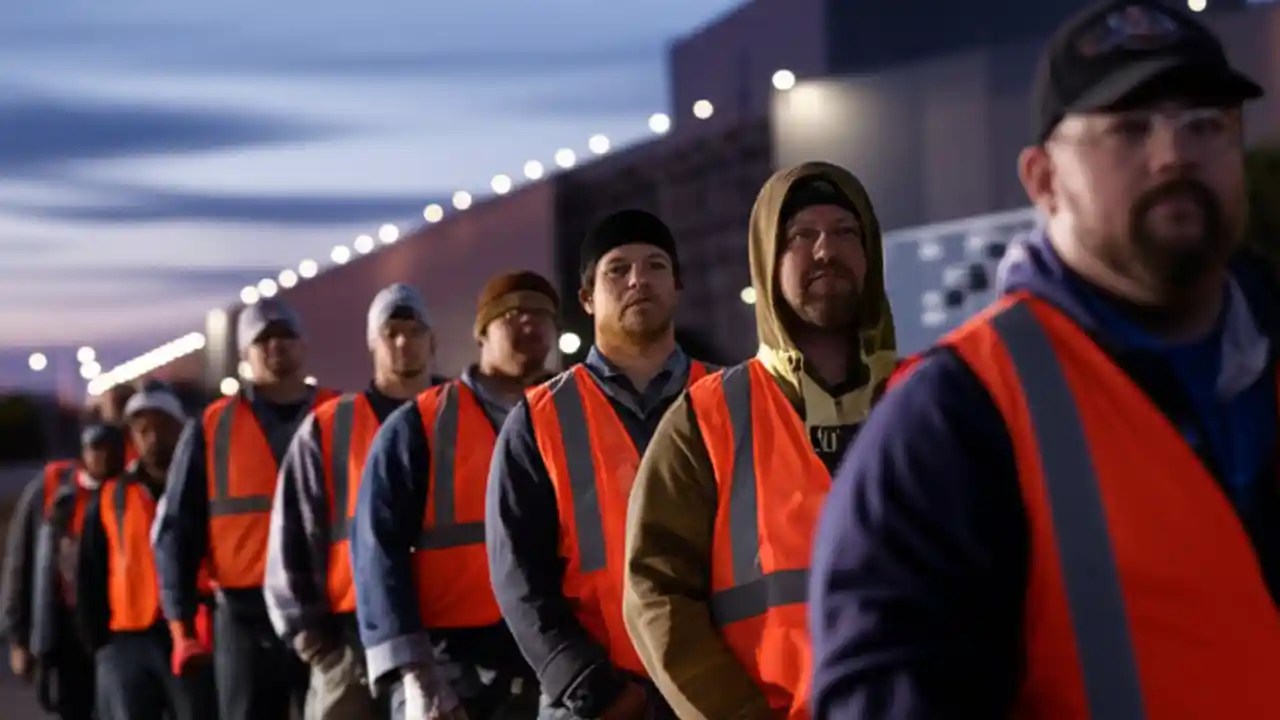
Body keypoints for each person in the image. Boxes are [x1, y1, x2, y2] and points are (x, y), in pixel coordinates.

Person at [809, 2, 1279, 717]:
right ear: (1043, 180)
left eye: (1205, 124)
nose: (1175, 154)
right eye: (1129, 129)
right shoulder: (956, 418)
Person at [621, 163, 897, 720]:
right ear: (767, 262)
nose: (826, 250)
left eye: (845, 231)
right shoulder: (705, 420)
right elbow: (656, 594)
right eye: (801, 236)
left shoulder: (926, 400)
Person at [486, 211, 710, 719]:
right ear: (587, 298)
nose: (638, 279)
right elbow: (518, 575)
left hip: (716, 690)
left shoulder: (729, 400)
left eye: (655, 265)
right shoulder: (538, 419)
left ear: (677, 287)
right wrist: (588, 684)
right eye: (617, 269)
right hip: (597, 700)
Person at [353, 271, 560, 719]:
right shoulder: (419, 425)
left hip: (558, 655)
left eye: (541, 314)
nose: (530, 323)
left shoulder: (573, 414)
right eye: (514, 314)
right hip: (451, 667)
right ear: (481, 332)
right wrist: (417, 677)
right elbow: (378, 551)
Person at [155, 298, 339, 720]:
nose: (276, 346)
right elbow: (178, 528)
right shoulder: (211, 427)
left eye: (286, 335)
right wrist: (181, 624)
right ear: (244, 354)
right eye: (263, 339)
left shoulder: (340, 415)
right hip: (244, 615)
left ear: (304, 345)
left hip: (328, 606)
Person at [265, 283, 439, 720]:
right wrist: (313, 641)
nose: (403, 342)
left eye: (414, 330)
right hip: (347, 639)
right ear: (371, 342)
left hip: (445, 636)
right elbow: (289, 539)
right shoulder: (327, 428)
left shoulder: (458, 416)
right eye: (390, 332)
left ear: (432, 340)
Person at [76, 384, 204, 720]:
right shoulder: (111, 496)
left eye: (162, 426)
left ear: (180, 428)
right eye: (142, 429)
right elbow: (90, 569)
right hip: (127, 637)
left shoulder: (201, 487)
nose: (153, 438)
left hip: (190, 632)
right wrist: (98, 641)